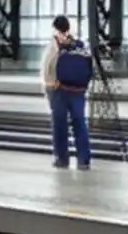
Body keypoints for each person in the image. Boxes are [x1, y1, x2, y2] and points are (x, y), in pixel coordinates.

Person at [39, 15, 92, 170]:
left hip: (59, 90)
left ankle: (62, 159)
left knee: (60, 126)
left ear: (56, 28)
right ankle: (83, 161)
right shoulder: (79, 44)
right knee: (80, 124)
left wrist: (49, 86)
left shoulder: (55, 44)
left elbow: (46, 68)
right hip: (79, 90)